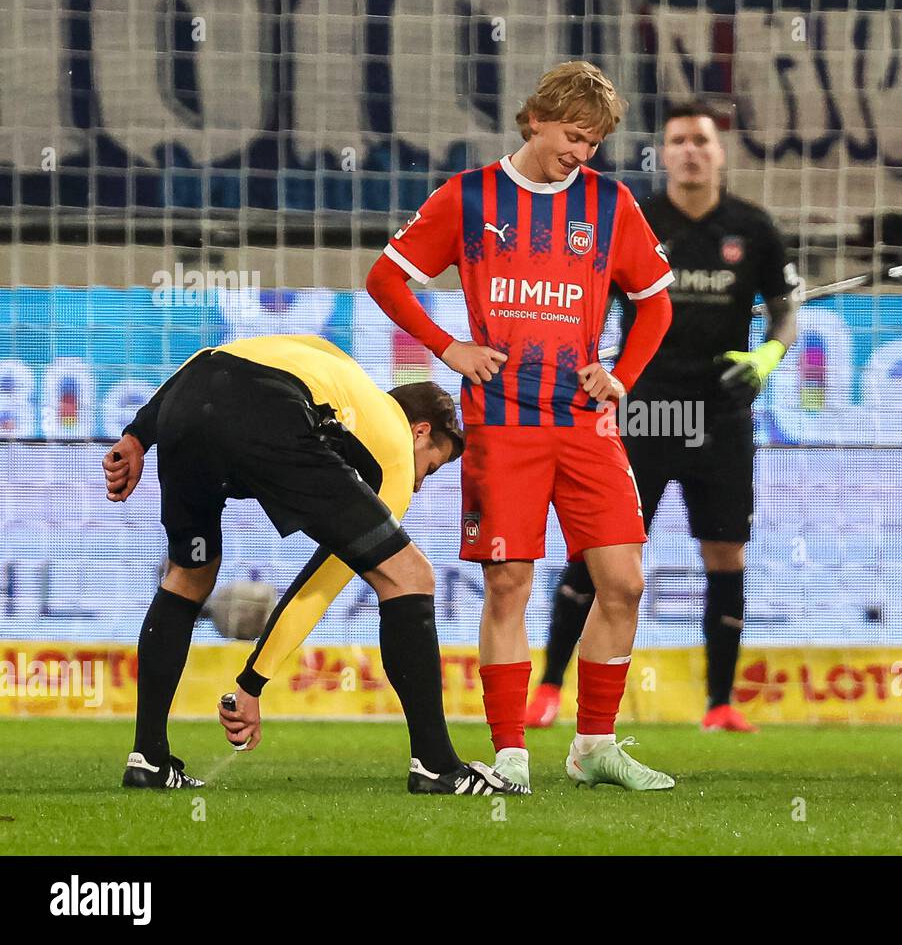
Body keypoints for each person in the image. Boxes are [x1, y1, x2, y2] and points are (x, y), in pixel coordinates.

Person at [364, 61, 676, 792]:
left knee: (623, 581)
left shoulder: (609, 203)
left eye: (595, 143)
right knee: (508, 583)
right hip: (501, 423)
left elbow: (657, 302)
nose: (583, 154)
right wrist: (450, 348)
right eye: (574, 136)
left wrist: (621, 374)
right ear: (535, 118)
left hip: (583, 423)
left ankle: (594, 747)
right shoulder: (468, 196)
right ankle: (509, 752)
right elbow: (385, 277)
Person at [103, 334, 523, 796]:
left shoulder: (334, 365)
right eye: (434, 466)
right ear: (420, 431)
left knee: (189, 574)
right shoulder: (396, 458)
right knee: (410, 575)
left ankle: (149, 759)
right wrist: (253, 682)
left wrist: (139, 434)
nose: (420, 485)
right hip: (266, 409)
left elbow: (205, 358)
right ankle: (437, 765)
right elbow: (324, 579)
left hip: (185, 406)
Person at [525, 101, 800, 733]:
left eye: (701, 140)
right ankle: (547, 687)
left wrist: (766, 357)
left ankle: (720, 704)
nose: (691, 151)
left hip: (721, 412)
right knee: (602, 552)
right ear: (664, 153)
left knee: (725, 553)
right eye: (678, 140)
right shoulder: (636, 218)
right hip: (643, 407)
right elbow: (586, 294)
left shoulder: (751, 228)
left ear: (719, 152)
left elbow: (785, 310)